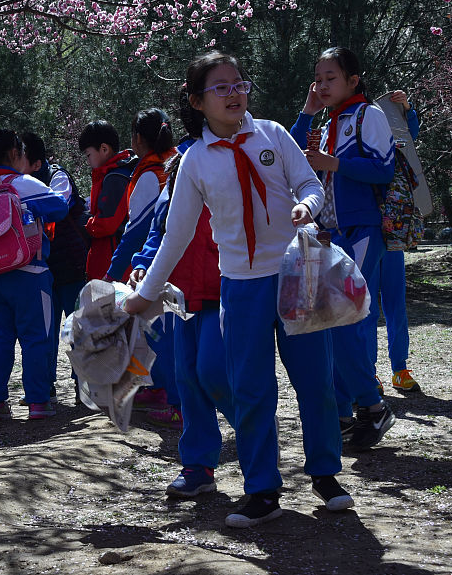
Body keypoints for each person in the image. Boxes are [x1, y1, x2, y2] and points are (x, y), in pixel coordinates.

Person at [124, 51, 353, 529]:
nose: (234, 93)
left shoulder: (272, 133)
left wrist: (307, 206)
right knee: (251, 390)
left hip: (295, 275)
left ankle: (327, 474)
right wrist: (147, 289)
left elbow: (309, 182)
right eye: (220, 87)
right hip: (241, 289)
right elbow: (176, 234)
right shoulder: (194, 162)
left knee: (316, 382)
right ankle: (262, 489)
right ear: (197, 101)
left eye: (239, 84)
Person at [289, 47, 397, 451]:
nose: (323, 84)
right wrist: (307, 110)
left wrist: (334, 164)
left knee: (348, 318)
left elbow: (384, 168)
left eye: (331, 77)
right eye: (318, 78)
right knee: (326, 322)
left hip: (363, 229)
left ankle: (371, 406)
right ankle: (343, 413)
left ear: (354, 80)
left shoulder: (369, 115)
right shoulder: (327, 119)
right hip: (327, 233)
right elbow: (290, 156)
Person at [129, 127, 234, 497]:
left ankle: (257, 445)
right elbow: (159, 232)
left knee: (215, 373)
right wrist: (143, 263)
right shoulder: (174, 170)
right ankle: (198, 467)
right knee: (187, 378)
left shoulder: (233, 161)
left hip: (224, 291)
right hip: (179, 297)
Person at [0, 128, 69, 421]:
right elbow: (59, 207)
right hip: (29, 272)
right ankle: (38, 402)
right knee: (35, 337)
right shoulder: (23, 183)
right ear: (15, 154)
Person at [108, 109, 179, 417]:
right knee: (164, 333)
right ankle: (160, 391)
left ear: (138, 138)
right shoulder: (176, 164)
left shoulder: (151, 174)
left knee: (161, 334)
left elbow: (138, 229)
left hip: (158, 266)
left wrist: (112, 272)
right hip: (177, 260)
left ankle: (171, 401)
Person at [20, 131, 90, 400]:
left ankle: (83, 385)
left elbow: (56, 208)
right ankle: (45, 385)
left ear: (36, 164)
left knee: (77, 329)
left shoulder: (58, 177)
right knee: (45, 331)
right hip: (43, 267)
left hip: (70, 265)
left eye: (20, 156)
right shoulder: (22, 182)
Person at [377, 90, 422, 393]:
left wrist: (407, 108)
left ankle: (399, 369)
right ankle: (367, 372)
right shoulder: (352, 141)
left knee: (396, 306)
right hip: (363, 234)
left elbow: (410, 135)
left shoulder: (397, 147)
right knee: (364, 309)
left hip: (393, 236)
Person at [78, 120, 138, 281]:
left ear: (104, 149)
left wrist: (85, 221)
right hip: (116, 262)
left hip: (113, 266)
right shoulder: (118, 172)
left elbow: (106, 223)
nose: (88, 161)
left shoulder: (116, 177)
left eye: (89, 155)